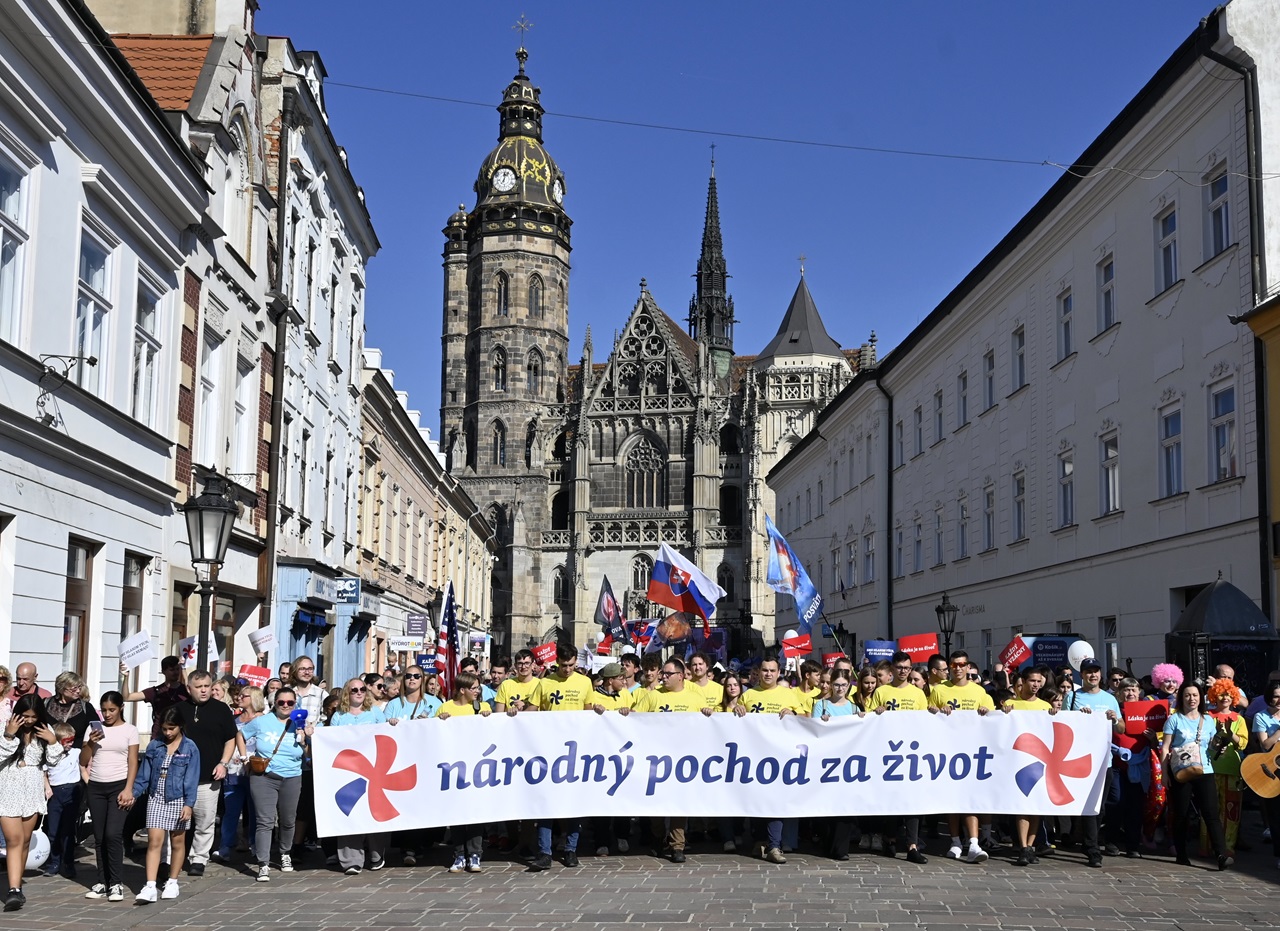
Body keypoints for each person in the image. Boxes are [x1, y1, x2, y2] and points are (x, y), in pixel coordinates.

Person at [528, 644, 593, 872]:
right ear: (557, 662)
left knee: (573, 802)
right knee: (546, 803)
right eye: (564, 665)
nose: (567, 670)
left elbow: (588, 712)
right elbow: (531, 711)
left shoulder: (584, 682)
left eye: (571, 665)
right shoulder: (545, 683)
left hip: (575, 751)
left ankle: (571, 849)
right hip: (549, 751)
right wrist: (514, 715)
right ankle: (544, 852)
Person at [238, 686, 313, 882]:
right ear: (274, 703)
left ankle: (285, 853)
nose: (286, 705)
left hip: (292, 776)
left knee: (288, 820)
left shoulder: (300, 723)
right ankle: (263, 863)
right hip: (264, 776)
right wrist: (244, 758)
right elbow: (241, 735)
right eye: (281, 702)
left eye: (290, 702)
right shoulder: (262, 721)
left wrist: (307, 738)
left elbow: (307, 755)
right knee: (265, 821)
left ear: (295, 704)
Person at [639, 658, 709, 863]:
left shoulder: (695, 698)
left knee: (679, 802)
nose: (663, 677)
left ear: (680, 676)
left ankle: (677, 845)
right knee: (657, 803)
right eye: (663, 673)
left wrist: (708, 714)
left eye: (668, 674)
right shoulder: (653, 696)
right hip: (657, 759)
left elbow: (708, 724)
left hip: (683, 761)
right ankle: (658, 837)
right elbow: (635, 719)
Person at [734, 656, 802, 864]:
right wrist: (737, 710)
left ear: (779, 672)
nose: (768, 674)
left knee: (775, 802)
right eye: (765, 670)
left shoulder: (788, 694)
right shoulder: (748, 695)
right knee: (756, 801)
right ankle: (759, 840)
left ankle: (774, 846)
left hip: (779, 759)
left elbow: (805, 719)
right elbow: (734, 724)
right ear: (759, 672)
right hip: (754, 758)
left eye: (772, 670)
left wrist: (793, 713)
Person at [928, 650, 994, 864]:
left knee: (970, 799)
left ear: (967, 667)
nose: (958, 668)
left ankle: (973, 843)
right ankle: (955, 841)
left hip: (972, 752)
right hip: (948, 751)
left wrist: (985, 710)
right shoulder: (939, 690)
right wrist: (936, 710)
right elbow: (929, 714)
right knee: (953, 800)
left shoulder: (979, 691)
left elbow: (993, 718)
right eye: (954, 665)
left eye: (962, 664)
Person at [0, 694, 62, 910]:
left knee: (25, 840)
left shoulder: (45, 730)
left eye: (33, 717)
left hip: (32, 791)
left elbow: (53, 761)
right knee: (14, 840)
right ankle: (13, 890)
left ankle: (17, 885)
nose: (28, 720)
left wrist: (52, 740)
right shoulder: (5, 727)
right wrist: (9, 735)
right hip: (8, 789)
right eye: (24, 716)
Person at [1160, 681, 1231, 869]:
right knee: (1181, 813)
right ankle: (1181, 853)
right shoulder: (1174, 719)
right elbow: (1165, 747)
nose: (1191, 699)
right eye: (1187, 695)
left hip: (1204, 770)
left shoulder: (1208, 720)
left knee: (1211, 813)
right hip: (1181, 771)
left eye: (1195, 695)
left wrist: (1220, 749)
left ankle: (1221, 855)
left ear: (1200, 698)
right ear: (1181, 698)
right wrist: (1164, 774)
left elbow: (1212, 746)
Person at [131, 708, 199, 903]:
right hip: (156, 797)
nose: (168, 733)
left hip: (178, 798)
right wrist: (133, 793)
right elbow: (144, 774)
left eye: (172, 728)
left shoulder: (190, 748)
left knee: (177, 842)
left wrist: (189, 804)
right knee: (154, 841)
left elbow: (192, 778)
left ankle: (172, 881)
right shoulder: (155, 745)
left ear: (180, 726)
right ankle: (150, 885)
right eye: (164, 729)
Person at [869, 651, 929, 865]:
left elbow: (925, 723)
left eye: (906, 668)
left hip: (911, 752)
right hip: (888, 752)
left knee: (913, 800)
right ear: (892, 669)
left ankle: (912, 845)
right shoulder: (881, 691)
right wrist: (876, 712)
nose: (903, 671)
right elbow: (868, 721)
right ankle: (890, 839)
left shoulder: (918, 694)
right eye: (899, 667)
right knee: (891, 799)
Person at [331, 678, 395, 874]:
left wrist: (392, 724)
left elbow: (386, 736)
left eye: (362, 689)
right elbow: (331, 741)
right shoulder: (339, 716)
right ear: (347, 693)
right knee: (350, 812)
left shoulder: (375, 712)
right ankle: (351, 860)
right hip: (349, 771)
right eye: (354, 690)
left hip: (375, 769)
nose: (359, 692)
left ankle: (376, 854)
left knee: (374, 811)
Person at [81, 691, 139, 902]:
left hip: (119, 786)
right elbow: (83, 759)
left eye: (112, 710)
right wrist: (90, 743)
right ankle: (102, 881)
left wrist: (129, 788)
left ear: (121, 708)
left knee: (113, 834)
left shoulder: (130, 730)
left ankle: (116, 883)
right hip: (96, 786)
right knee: (99, 836)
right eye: (104, 710)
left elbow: (133, 761)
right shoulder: (93, 729)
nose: (107, 714)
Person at [1066, 659, 1124, 867]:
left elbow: (1122, 728)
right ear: (1081, 675)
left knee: (1101, 807)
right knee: (1090, 804)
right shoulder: (1073, 696)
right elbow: (1063, 724)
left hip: (1104, 761)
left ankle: (1088, 840)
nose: (1093, 675)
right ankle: (1092, 849)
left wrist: (1115, 718)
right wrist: (1078, 717)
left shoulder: (1110, 698)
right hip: (1081, 760)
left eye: (1096, 671)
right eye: (1088, 672)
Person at [433, 672, 490, 872]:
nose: (477, 691)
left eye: (478, 688)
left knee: (475, 812)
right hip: (453, 766)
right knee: (456, 812)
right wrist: (440, 721)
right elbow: (434, 733)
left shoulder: (482, 707)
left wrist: (487, 719)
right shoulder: (446, 707)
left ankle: (475, 854)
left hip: (477, 766)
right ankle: (458, 854)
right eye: (474, 688)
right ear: (462, 690)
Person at [214, 686, 263, 864]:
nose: (239, 697)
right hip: (234, 770)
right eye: (239, 695)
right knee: (231, 811)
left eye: (244, 695)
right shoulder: (234, 720)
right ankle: (225, 847)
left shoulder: (264, 720)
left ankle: (255, 845)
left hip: (256, 771)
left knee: (256, 812)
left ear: (254, 698)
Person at [1202, 678, 1248, 857]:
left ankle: (1228, 846)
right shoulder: (1206, 717)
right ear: (1214, 696)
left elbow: (1242, 744)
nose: (1225, 697)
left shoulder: (1239, 719)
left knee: (1231, 810)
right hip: (1209, 769)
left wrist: (1231, 733)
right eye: (1221, 694)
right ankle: (1206, 845)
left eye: (1228, 694)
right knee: (1209, 809)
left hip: (1232, 770)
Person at [42, 722, 80, 878]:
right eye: (66, 741)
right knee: (53, 831)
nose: (70, 744)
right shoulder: (49, 755)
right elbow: (44, 773)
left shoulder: (76, 752)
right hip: (55, 793)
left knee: (68, 831)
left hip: (72, 791)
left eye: (72, 740)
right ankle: (54, 862)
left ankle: (68, 862)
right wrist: (47, 787)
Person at [121, 656, 189, 740]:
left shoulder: (186, 690)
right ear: (163, 671)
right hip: (158, 737)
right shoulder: (156, 691)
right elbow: (127, 697)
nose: (175, 672)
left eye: (177, 669)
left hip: (180, 738)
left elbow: (191, 688)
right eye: (172, 670)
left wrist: (184, 670)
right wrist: (126, 677)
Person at [1250, 680, 1280, 870]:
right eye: (1276, 697)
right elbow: (1265, 744)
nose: (1279, 700)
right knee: (1276, 814)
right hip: (1273, 769)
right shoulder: (1261, 717)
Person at [495, 650, 542, 714]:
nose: (523, 667)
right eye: (520, 663)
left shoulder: (540, 684)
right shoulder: (505, 685)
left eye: (527, 663)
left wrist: (525, 706)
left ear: (533, 665)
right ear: (515, 665)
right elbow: (498, 714)